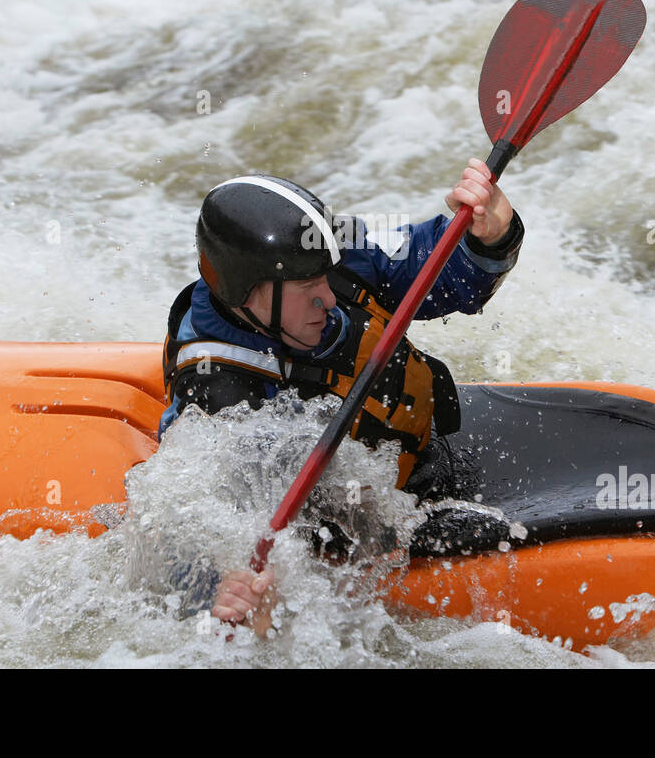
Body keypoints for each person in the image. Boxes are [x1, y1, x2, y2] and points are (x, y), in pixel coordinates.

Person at [159, 159, 523, 630]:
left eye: (324, 281)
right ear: (245, 293)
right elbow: (186, 516)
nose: (328, 298)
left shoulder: (321, 256)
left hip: (426, 461)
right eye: (308, 288)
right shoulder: (216, 391)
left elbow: (432, 268)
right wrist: (221, 590)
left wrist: (487, 236)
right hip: (339, 536)